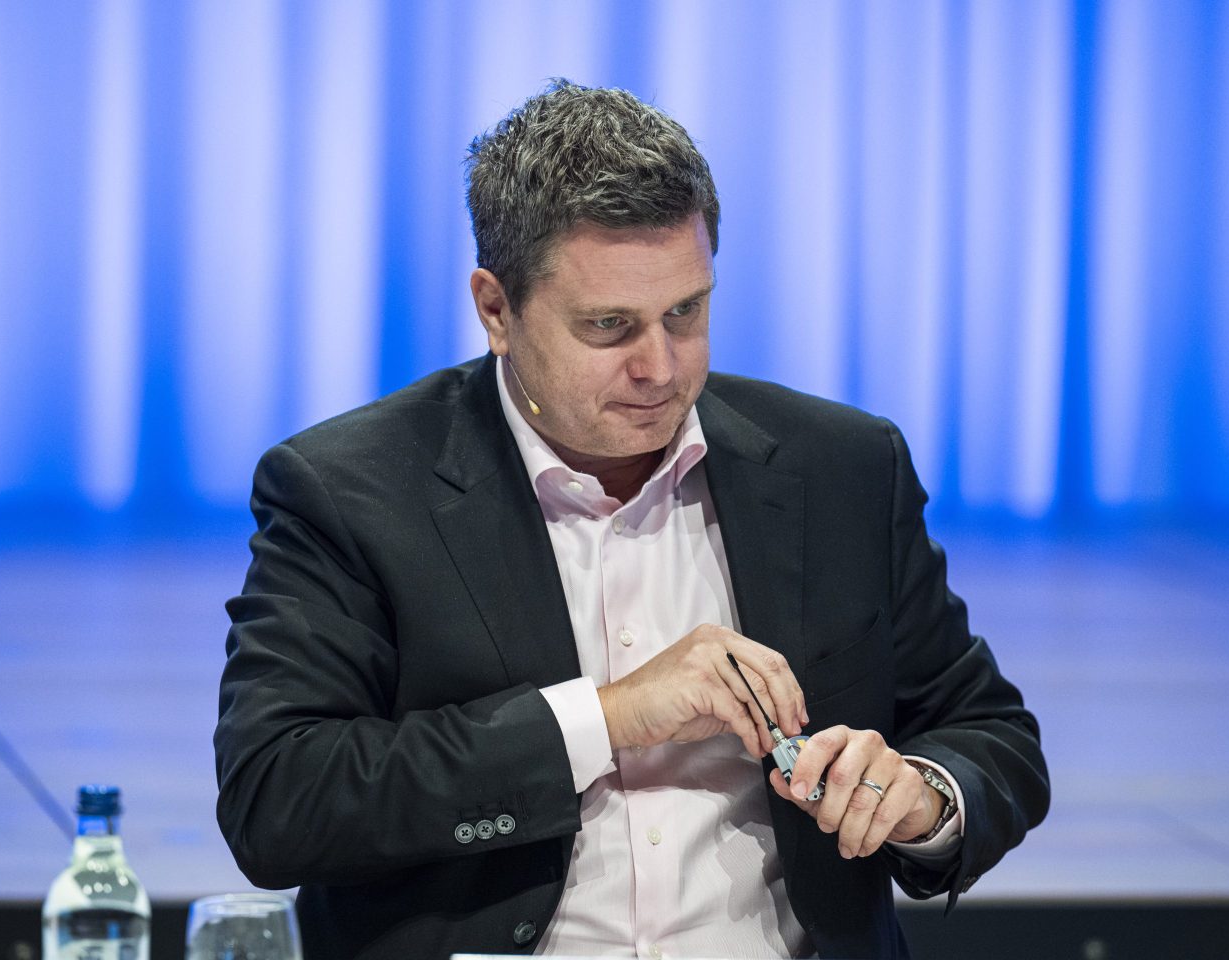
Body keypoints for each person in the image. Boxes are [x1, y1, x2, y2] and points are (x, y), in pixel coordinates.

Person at [215, 79, 1048, 960]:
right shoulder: (349, 490)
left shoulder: (840, 468)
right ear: (496, 310)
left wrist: (921, 796)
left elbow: (990, 735)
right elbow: (280, 799)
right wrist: (608, 718)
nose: (661, 367)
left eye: (685, 312)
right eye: (610, 327)